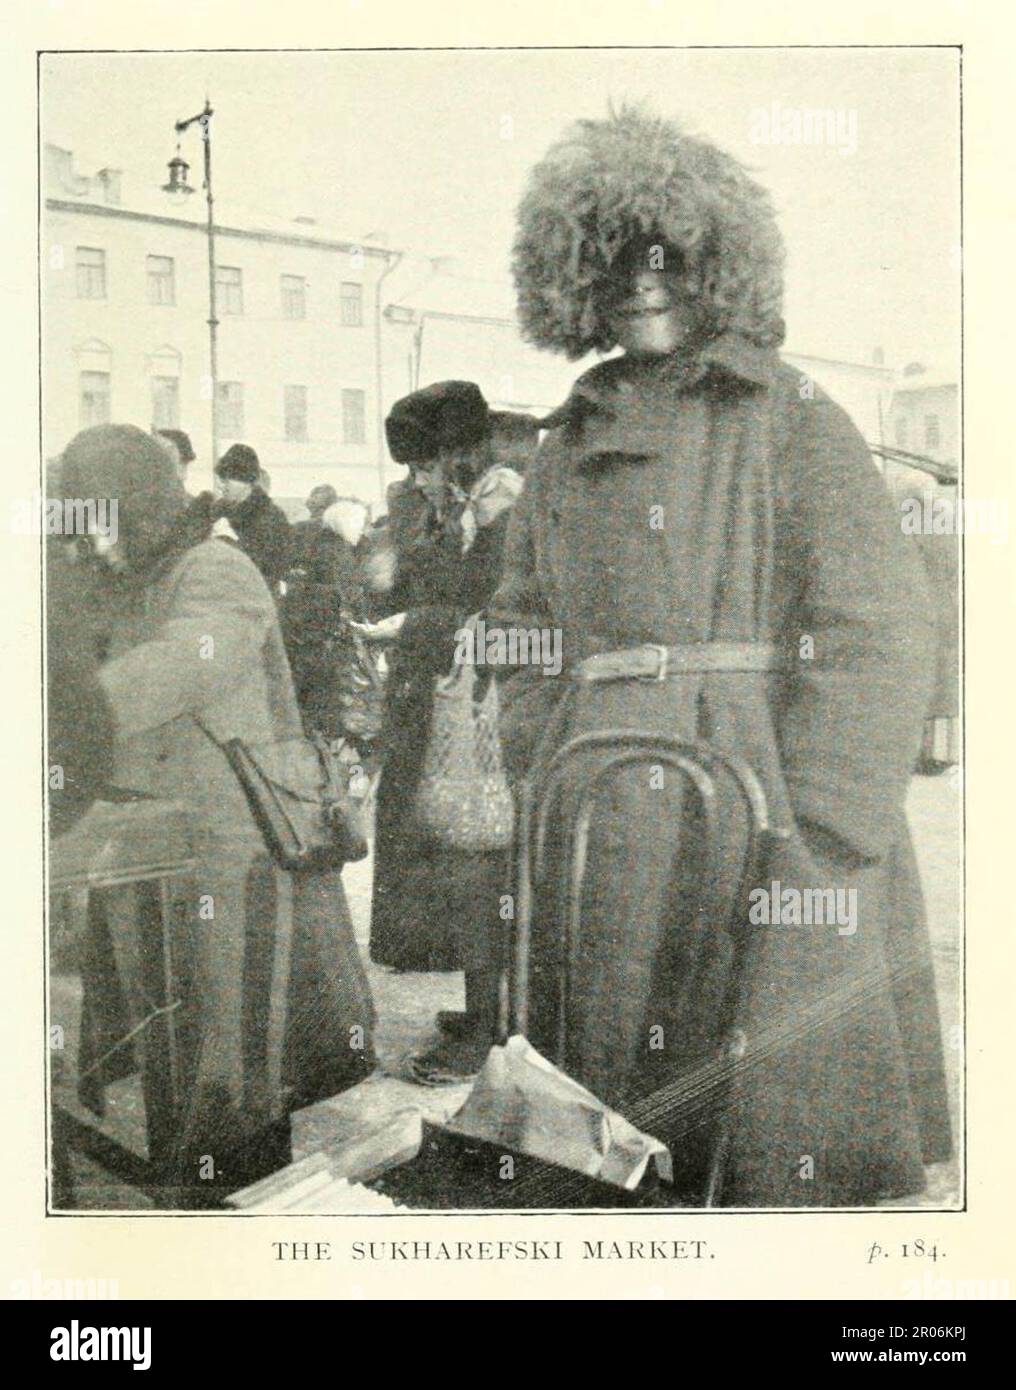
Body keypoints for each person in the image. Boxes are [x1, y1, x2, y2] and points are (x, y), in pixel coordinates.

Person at [488, 107, 951, 1206]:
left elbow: (878, 624)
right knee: (605, 1117)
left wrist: (826, 816)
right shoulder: (567, 437)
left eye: (669, 255)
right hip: (597, 812)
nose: (643, 282)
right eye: (614, 258)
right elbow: (518, 616)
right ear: (576, 277)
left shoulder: (788, 414)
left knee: (766, 1128)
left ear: (716, 262)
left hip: (762, 810)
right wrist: (536, 739)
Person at [58, 424, 375, 1202]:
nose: (91, 545)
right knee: (172, 1038)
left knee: (238, 1050)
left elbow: (183, 664)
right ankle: (194, 1185)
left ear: (135, 508)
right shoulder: (121, 578)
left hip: (233, 851)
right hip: (144, 848)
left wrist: (67, 711)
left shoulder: (217, 568)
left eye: (99, 522)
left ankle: (243, 1205)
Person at [361, 383, 529, 1075]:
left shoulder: (506, 510)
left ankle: (490, 1032)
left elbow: (502, 621)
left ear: (460, 455)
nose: (417, 480)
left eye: (426, 465)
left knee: (484, 871)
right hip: (453, 709)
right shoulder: (457, 511)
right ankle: (482, 1005)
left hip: (497, 722)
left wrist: (413, 623)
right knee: (463, 869)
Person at [213, 443, 292, 593]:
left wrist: (232, 542)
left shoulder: (272, 517)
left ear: (245, 481)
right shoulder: (216, 511)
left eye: (225, 480)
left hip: (255, 599)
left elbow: (274, 568)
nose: (220, 486)